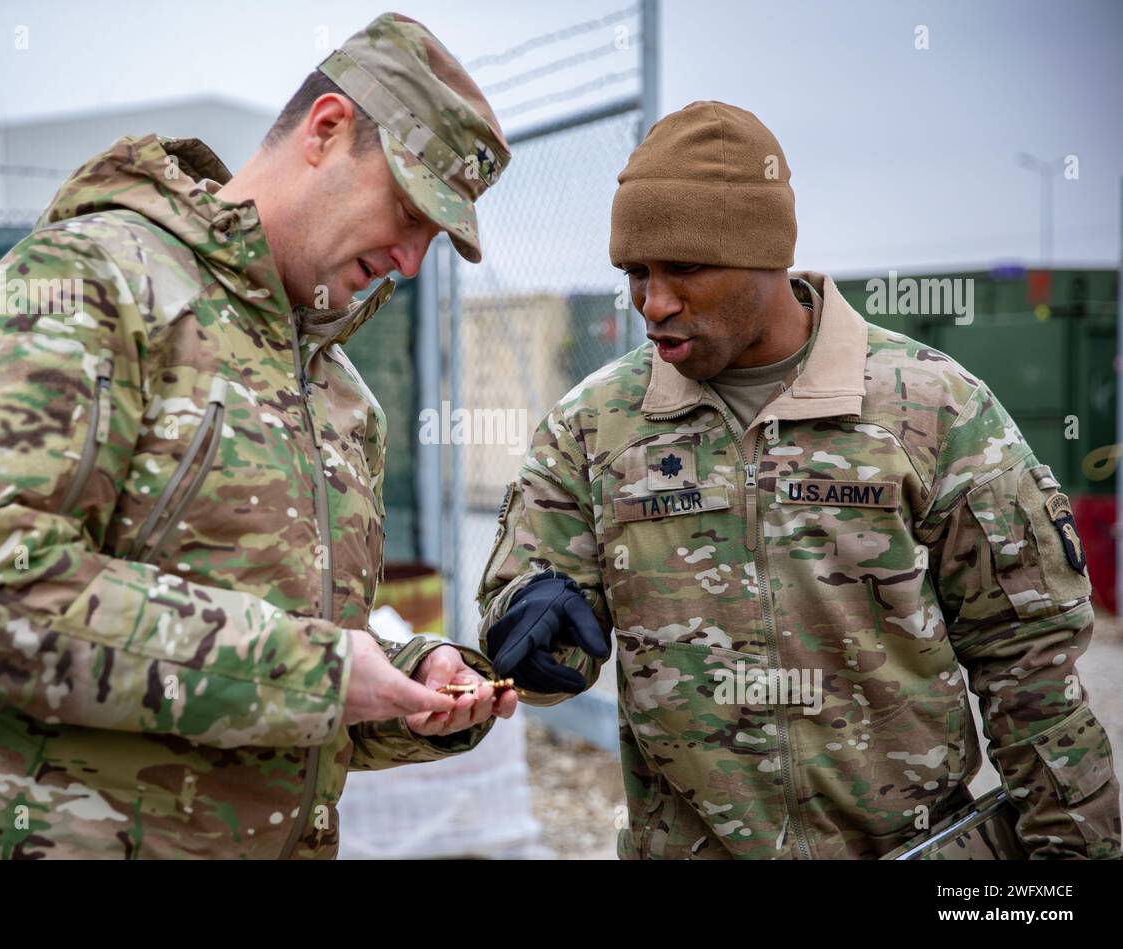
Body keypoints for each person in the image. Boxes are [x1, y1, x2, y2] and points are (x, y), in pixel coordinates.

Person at [0, 11, 516, 860]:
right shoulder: (88, 282)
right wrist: (324, 671)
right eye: (408, 210)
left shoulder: (339, 396)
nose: (411, 261)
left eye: (433, 238)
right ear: (327, 130)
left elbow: (283, 690)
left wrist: (409, 683)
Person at [478, 100, 1120, 859]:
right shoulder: (595, 426)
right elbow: (546, 657)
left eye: (683, 268)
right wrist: (529, 627)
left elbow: (1030, 670)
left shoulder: (929, 408)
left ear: (766, 254)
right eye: (635, 273)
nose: (654, 304)